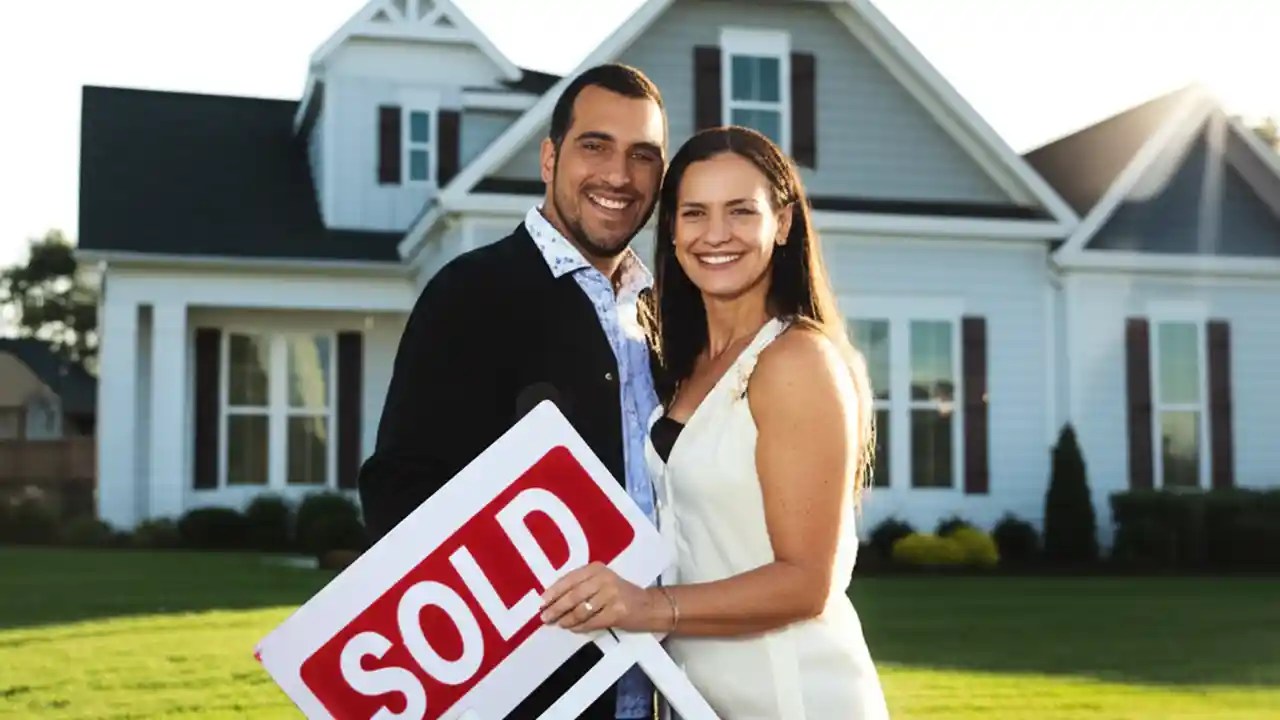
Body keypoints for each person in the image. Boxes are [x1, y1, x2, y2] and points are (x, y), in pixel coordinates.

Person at [538, 126, 891, 720]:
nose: (716, 234)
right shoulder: (688, 364)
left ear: (781, 224)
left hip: (794, 699)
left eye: (740, 211)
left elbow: (808, 581)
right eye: (694, 213)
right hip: (699, 701)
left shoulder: (795, 361)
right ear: (672, 231)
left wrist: (649, 607)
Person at [357, 63, 669, 720]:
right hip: (540, 698)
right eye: (595, 146)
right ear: (550, 157)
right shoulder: (469, 296)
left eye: (643, 156)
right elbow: (400, 495)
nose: (619, 175)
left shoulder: (662, 315)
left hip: (664, 689)